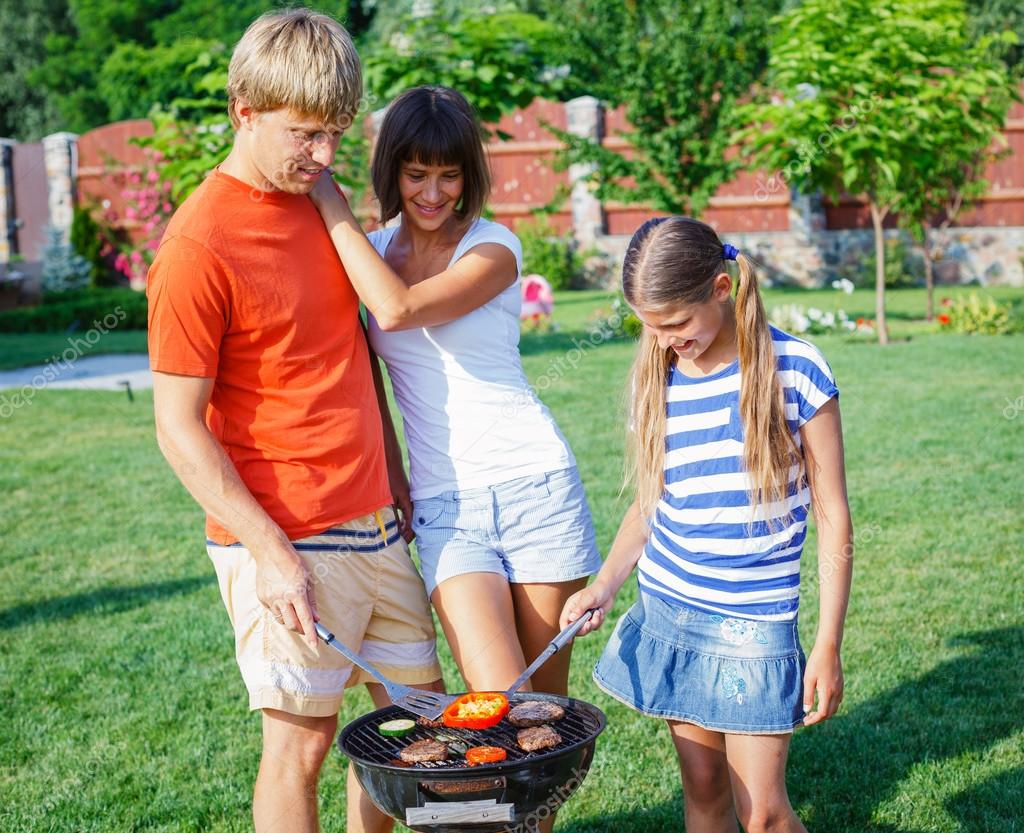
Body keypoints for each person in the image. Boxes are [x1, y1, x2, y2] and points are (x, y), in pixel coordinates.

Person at [146, 11, 443, 833]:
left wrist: (393, 472)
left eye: (335, 134)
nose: (322, 154)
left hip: (374, 522)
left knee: (413, 728)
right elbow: (177, 427)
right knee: (300, 748)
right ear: (243, 109)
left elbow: (353, 349)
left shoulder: (321, 204)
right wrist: (270, 553)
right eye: (305, 133)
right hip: (287, 538)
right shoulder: (196, 246)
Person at [309, 85, 601, 709]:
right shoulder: (373, 254)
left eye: (449, 175)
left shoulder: (494, 248)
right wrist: (395, 474)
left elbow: (398, 309)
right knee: (500, 702)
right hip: (446, 504)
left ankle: (550, 781)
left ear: (469, 175)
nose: (433, 193)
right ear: (393, 171)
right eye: (416, 174)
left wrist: (328, 199)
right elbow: (370, 382)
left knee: (546, 711)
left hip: (536, 489)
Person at [559, 217, 853, 833]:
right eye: (650, 327)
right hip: (672, 607)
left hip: (756, 623)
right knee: (703, 787)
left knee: (764, 814)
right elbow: (651, 504)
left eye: (676, 324)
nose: (665, 340)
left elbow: (832, 513)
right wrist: (604, 585)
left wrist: (828, 642)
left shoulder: (795, 369)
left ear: (721, 289)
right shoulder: (659, 375)